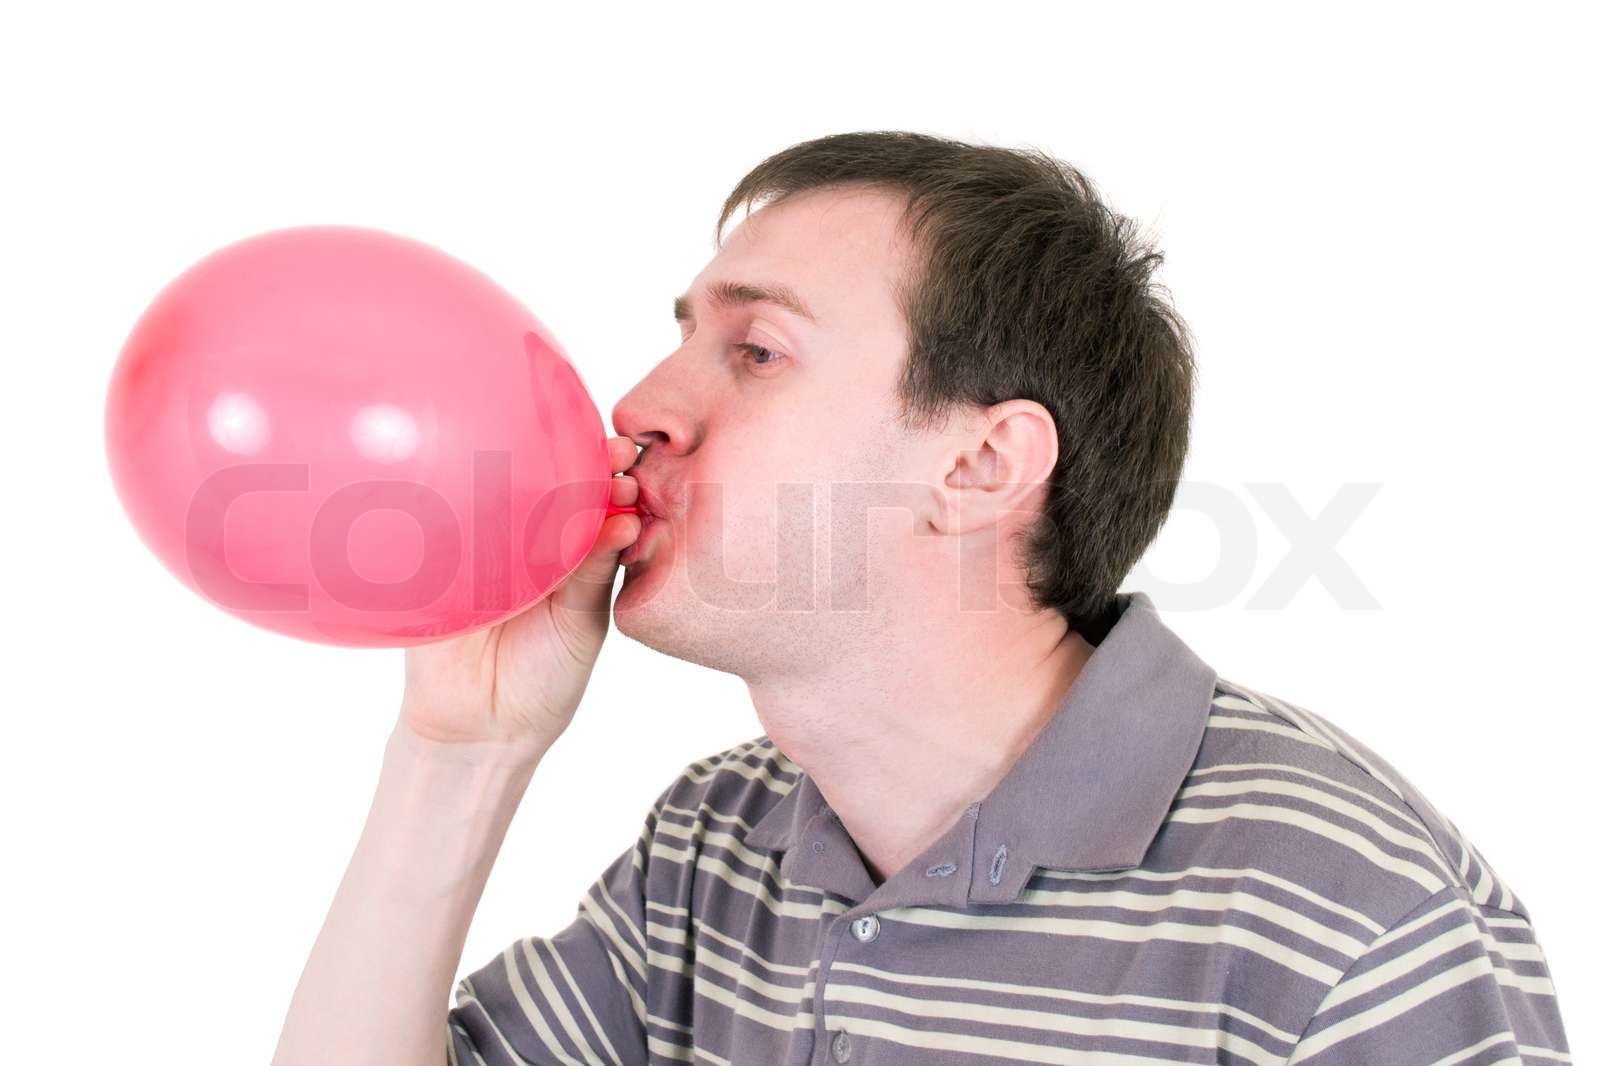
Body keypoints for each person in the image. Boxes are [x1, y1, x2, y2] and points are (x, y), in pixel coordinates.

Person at [270, 131, 1570, 1065]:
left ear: (981, 464)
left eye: (755, 350)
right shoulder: (715, 853)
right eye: (678, 337)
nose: (638, 406)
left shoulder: (1339, 904)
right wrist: (460, 752)